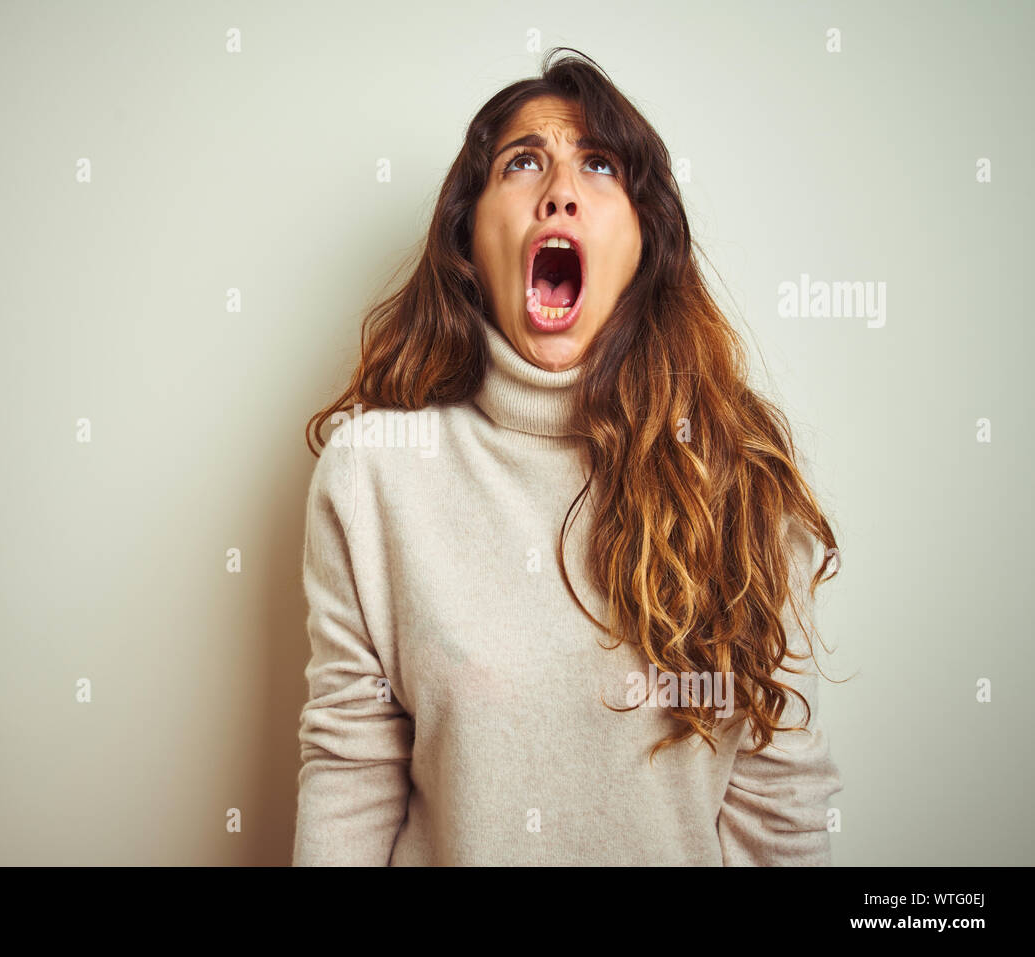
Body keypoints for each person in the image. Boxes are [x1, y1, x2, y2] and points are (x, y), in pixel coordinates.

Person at [293, 47, 844, 866]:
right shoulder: (374, 472)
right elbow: (351, 772)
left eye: (600, 165)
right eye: (523, 162)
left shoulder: (735, 475)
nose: (559, 190)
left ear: (643, 243)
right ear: (467, 239)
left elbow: (780, 809)